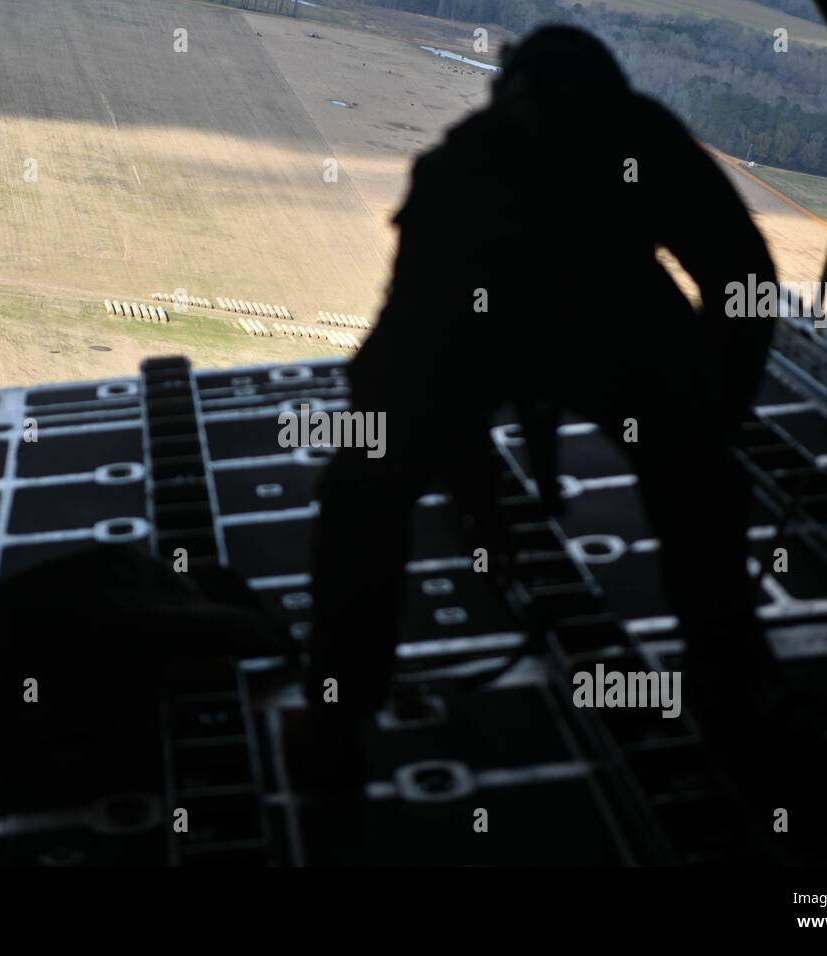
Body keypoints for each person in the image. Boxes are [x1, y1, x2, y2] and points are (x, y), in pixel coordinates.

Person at [303, 27, 791, 799]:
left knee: (364, 494)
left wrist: (482, 512)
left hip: (560, 316)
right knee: (702, 491)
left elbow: (407, 368)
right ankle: (733, 687)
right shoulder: (627, 136)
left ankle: (336, 710)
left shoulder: (469, 161)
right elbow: (744, 280)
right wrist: (713, 420)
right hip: (593, 317)